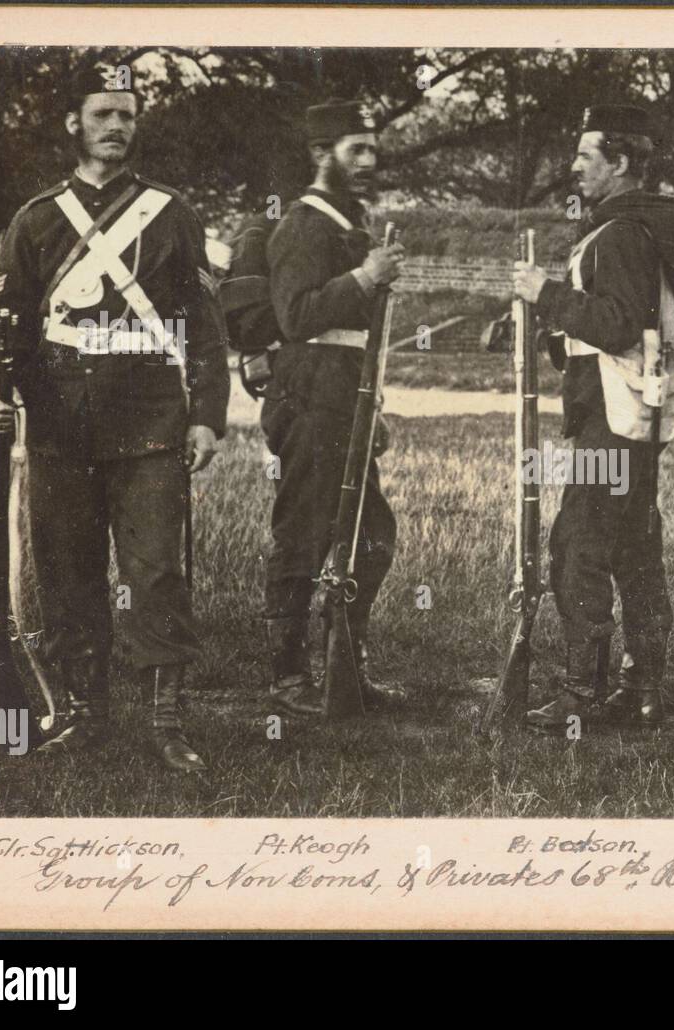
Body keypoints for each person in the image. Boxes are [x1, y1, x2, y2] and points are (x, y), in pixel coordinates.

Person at [0, 65, 229, 772]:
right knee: (67, 573)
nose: (116, 126)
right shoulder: (36, 218)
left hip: (151, 423)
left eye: (126, 114)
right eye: (102, 114)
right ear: (74, 124)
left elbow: (206, 328)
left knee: (157, 575)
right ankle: (86, 715)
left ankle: (167, 723)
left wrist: (207, 415)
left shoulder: (171, 214)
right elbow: (0, 320)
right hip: (59, 426)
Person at [510, 104, 674, 733]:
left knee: (579, 544)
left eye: (586, 155)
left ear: (621, 162)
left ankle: (583, 693)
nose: (574, 167)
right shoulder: (629, 227)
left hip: (614, 413)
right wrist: (553, 330)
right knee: (634, 546)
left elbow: (618, 323)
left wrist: (545, 294)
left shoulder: (621, 233)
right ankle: (642, 690)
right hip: (631, 409)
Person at [260, 101, 405, 717]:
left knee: (371, 535)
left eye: (373, 148)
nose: (368, 160)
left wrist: (373, 408)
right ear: (322, 154)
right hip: (308, 395)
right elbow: (296, 316)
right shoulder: (303, 224)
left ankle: (344, 665)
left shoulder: (352, 222)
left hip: (346, 397)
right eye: (356, 149)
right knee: (304, 532)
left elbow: (356, 337)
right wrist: (366, 277)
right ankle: (288, 675)